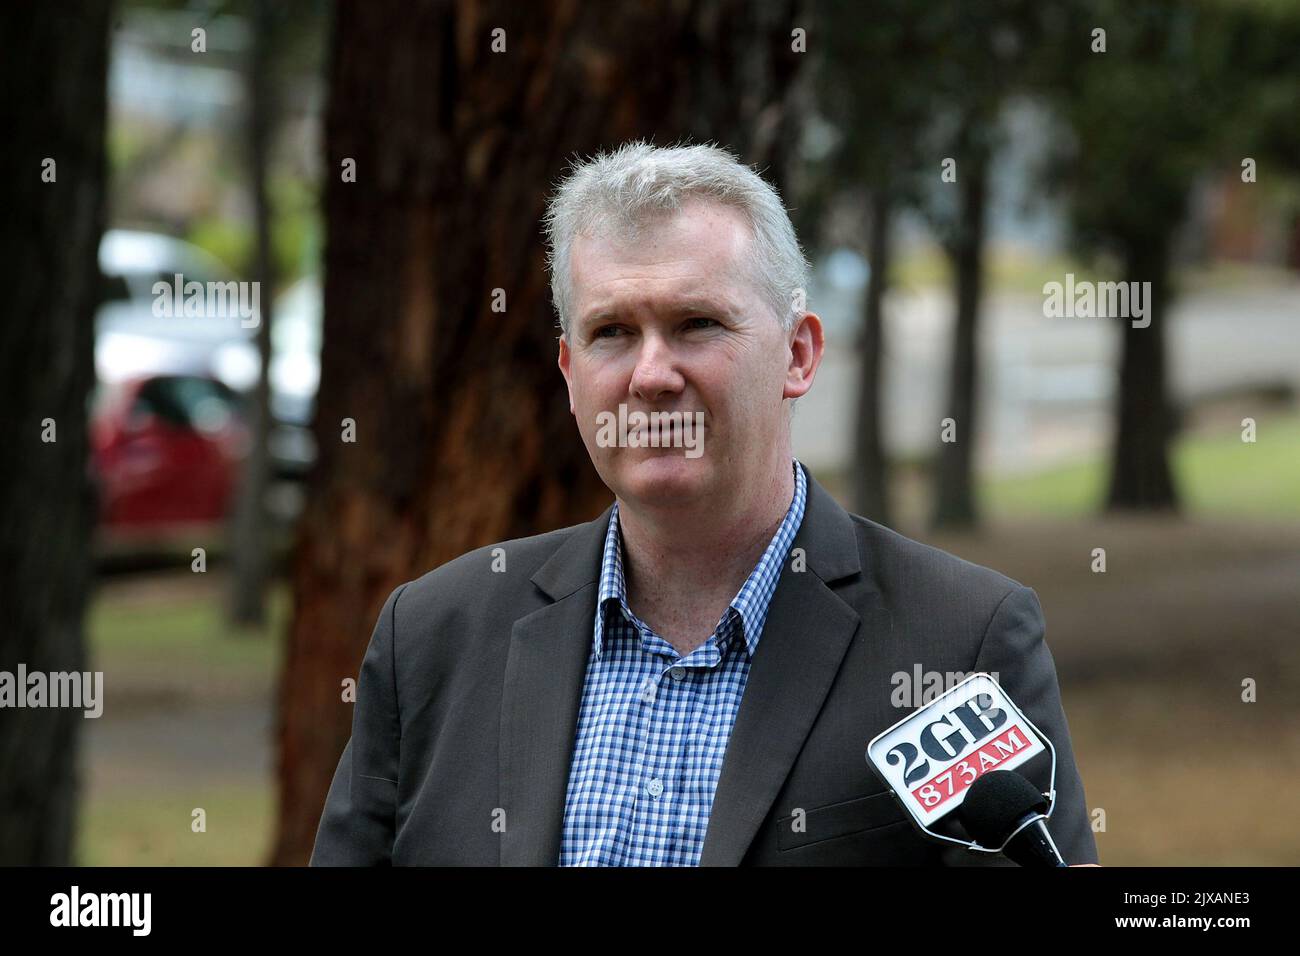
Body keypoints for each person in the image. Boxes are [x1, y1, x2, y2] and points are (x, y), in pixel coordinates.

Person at [311, 141, 1099, 866]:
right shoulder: (431, 638)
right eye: (612, 332)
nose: (651, 375)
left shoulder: (960, 644)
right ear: (569, 370)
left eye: (696, 324)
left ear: (798, 354)